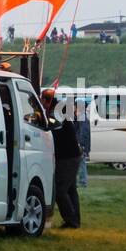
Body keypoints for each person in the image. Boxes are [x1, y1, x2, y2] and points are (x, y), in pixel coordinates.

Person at [41, 91, 81, 228]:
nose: (41, 103)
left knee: (59, 189)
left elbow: (52, 127)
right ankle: (75, 220)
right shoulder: (61, 110)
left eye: (42, 101)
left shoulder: (55, 114)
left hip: (67, 157)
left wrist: (44, 120)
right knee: (70, 189)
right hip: (73, 155)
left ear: (46, 101)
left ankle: (71, 220)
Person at [73, 98, 91, 187]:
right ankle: (81, 182)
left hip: (81, 145)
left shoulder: (82, 118)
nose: (74, 108)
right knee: (80, 163)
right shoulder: (80, 117)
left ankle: (82, 182)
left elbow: (83, 133)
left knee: (81, 164)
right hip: (81, 144)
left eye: (75, 106)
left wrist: (80, 144)